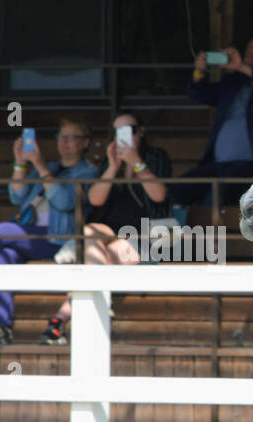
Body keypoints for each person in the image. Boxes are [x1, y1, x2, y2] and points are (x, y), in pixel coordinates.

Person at [40, 113, 174, 344]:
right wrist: (112, 167)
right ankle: (99, 302)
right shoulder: (108, 159)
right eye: (117, 131)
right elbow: (95, 200)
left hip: (145, 232)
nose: (122, 136)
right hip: (107, 230)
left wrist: (136, 163)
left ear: (141, 131)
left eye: (128, 130)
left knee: (101, 258)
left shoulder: (156, 156)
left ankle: (59, 319)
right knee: (90, 231)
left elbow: (159, 195)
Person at [0, 118, 97, 344]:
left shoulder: (87, 171)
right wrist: (20, 164)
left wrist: (40, 165)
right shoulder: (53, 167)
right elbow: (16, 196)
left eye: (72, 137)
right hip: (31, 235)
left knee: (1, 229)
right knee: (2, 257)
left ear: (85, 142)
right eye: (61, 137)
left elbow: (65, 202)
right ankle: (1, 328)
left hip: (59, 238)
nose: (64, 142)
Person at [170, 35, 253, 207]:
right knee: (178, 189)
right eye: (249, 52)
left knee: (228, 191)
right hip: (218, 164)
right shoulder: (233, 83)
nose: (252, 56)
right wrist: (200, 70)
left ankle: (227, 232)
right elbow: (198, 93)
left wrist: (242, 66)